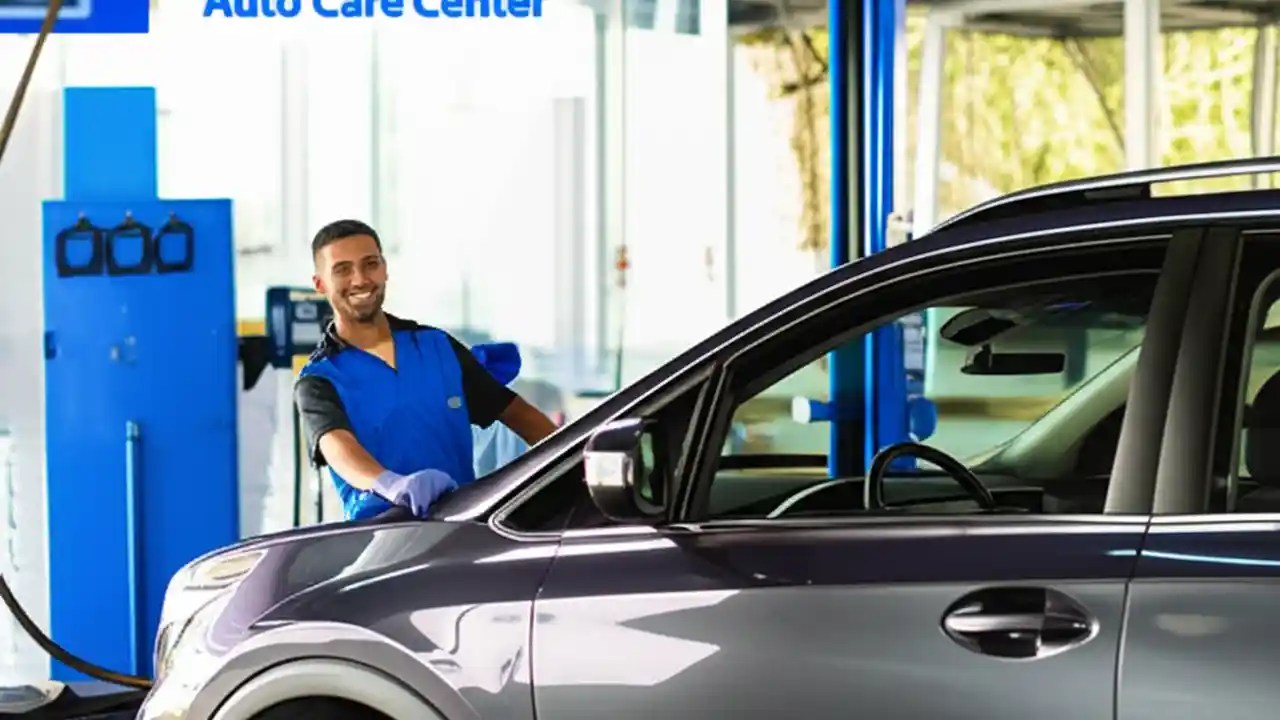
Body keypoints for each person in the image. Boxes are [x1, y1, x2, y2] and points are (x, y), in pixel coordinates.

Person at [294, 219, 558, 521]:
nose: (359, 279)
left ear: (384, 269)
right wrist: (390, 485)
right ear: (320, 284)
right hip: (379, 536)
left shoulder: (437, 347)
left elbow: (518, 414)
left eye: (370, 264)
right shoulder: (319, 379)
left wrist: (575, 463)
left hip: (460, 529)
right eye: (342, 270)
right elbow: (336, 445)